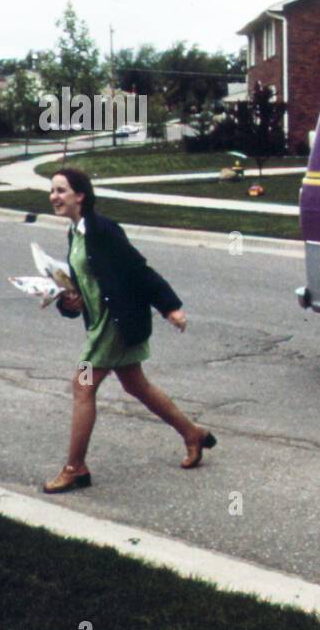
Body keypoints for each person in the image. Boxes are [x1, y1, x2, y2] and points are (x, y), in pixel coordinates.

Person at [42, 167, 216, 492]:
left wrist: (170, 307)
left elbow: (138, 270)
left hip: (116, 323)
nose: (54, 197)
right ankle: (193, 434)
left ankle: (75, 468)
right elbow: (86, 284)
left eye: (61, 190)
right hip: (102, 323)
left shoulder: (104, 230)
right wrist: (68, 300)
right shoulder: (75, 233)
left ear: (80, 195)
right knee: (136, 385)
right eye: (52, 191)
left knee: (82, 388)